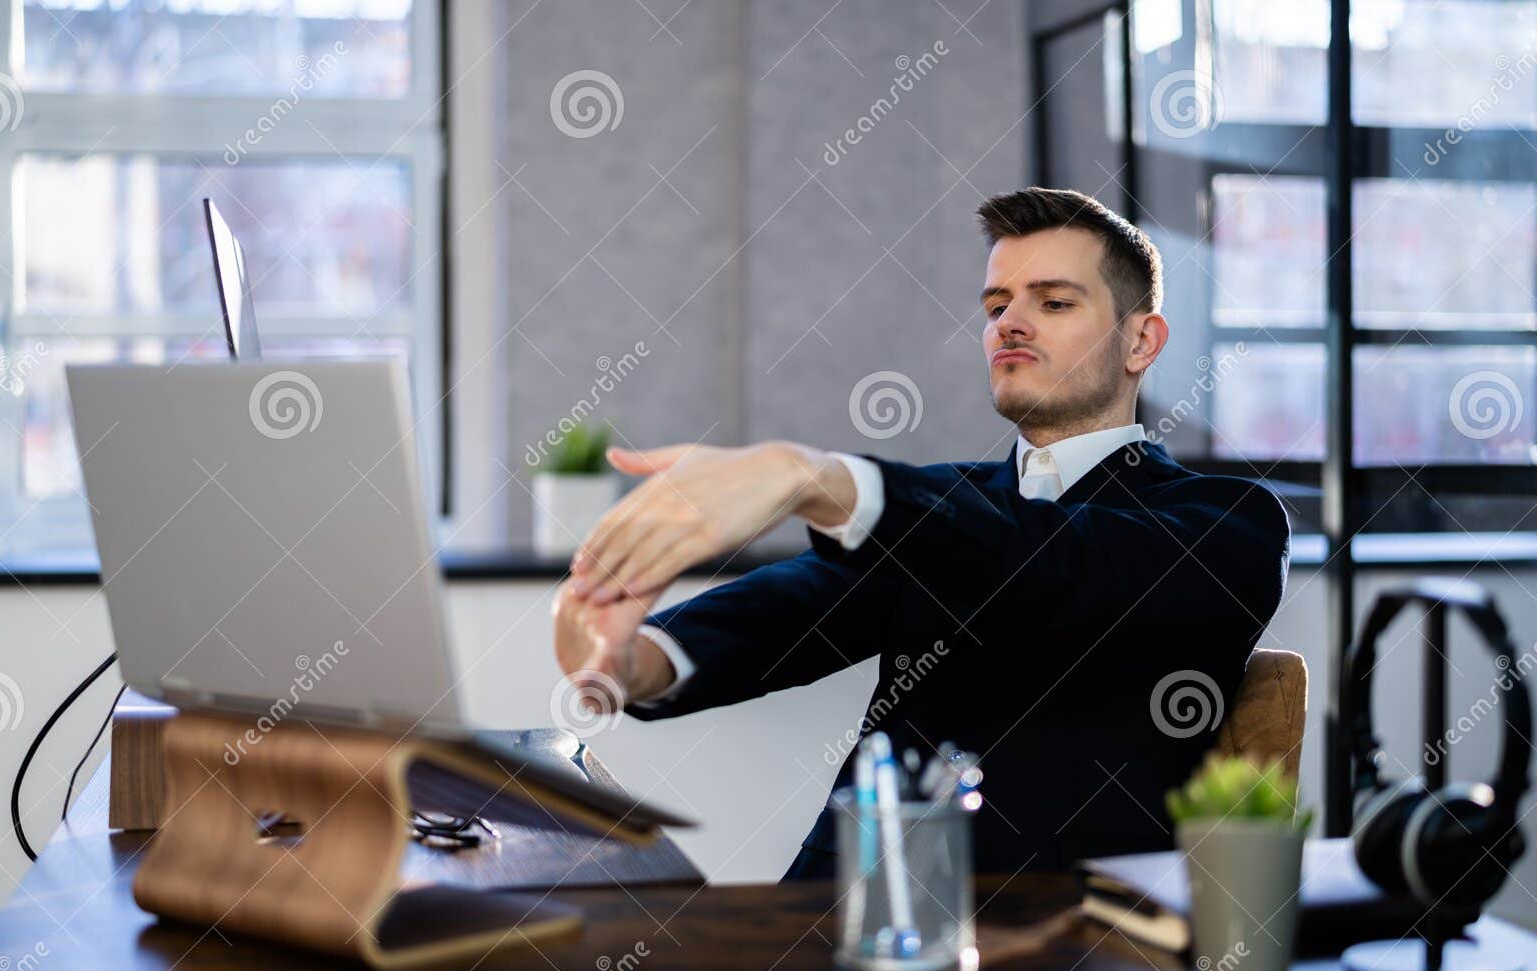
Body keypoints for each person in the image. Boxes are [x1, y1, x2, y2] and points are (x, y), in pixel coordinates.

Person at [552, 186, 1290, 879]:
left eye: (1054, 301)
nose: (1010, 322)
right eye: (996, 303)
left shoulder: (1226, 520)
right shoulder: (943, 509)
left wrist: (820, 478)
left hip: (1061, 956)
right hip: (839, 912)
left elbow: (1055, 562)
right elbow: (800, 602)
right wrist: (631, 658)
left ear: (1141, 342)